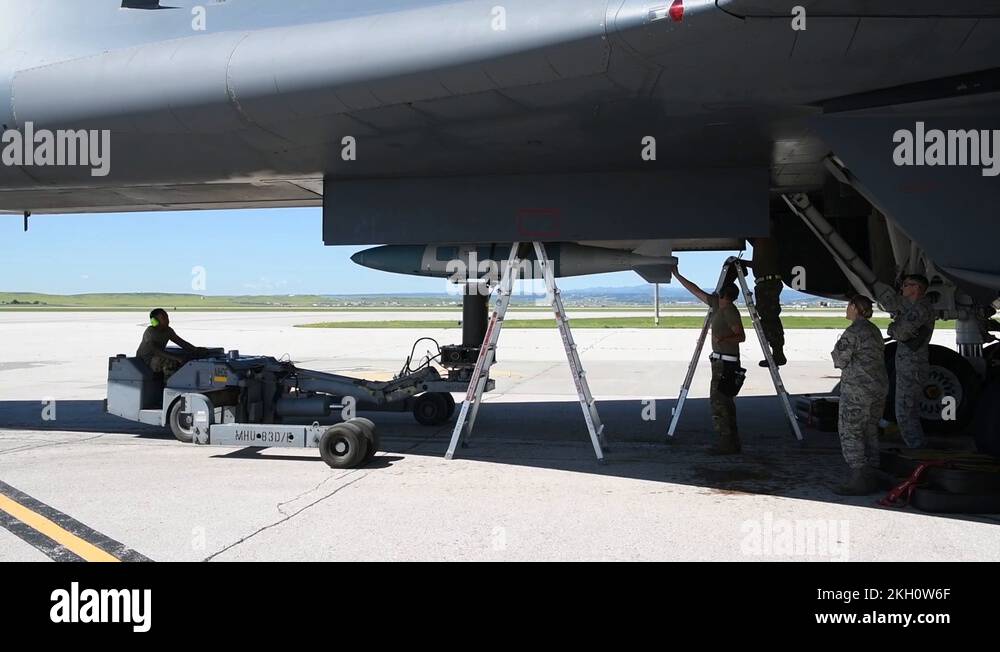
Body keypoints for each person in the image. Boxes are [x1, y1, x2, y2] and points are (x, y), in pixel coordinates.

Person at [673, 266, 747, 454]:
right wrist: (677, 275)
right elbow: (695, 290)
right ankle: (731, 442)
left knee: (719, 403)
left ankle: (726, 444)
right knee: (724, 401)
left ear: (723, 294)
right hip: (722, 362)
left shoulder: (729, 310)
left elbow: (741, 336)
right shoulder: (717, 305)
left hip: (727, 363)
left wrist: (723, 339)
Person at [830, 295, 888, 495]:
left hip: (857, 391)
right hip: (877, 388)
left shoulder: (853, 331)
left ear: (855, 307)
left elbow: (839, 360)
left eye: (849, 306)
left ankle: (859, 477)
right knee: (870, 430)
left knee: (851, 431)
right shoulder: (874, 330)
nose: (847, 310)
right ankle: (873, 473)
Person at [887, 274, 936, 449]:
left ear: (916, 288)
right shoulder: (918, 308)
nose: (902, 288)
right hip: (911, 364)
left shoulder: (920, 309)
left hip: (912, 365)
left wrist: (893, 328)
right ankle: (917, 447)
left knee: (904, 411)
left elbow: (898, 333)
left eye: (907, 285)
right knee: (908, 410)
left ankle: (917, 449)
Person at [744, 236, 786, 367]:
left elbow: (760, 263)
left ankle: (778, 354)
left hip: (767, 284)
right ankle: (777, 353)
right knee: (769, 317)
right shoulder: (762, 243)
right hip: (766, 283)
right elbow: (760, 263)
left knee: (769, 318)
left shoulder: (763, 240)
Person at [137, 308, 202, 377]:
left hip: (156, 357)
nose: (167, 320)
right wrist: (176, 358)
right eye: (163, 318)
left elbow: (181, 342)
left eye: (167, 317)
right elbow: (155, 350)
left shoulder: (168, 330)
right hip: (145, 360)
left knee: (185, 357)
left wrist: (195, 349)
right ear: (155, 321)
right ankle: (169, 385)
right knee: (170, 362)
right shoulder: (150, 331)